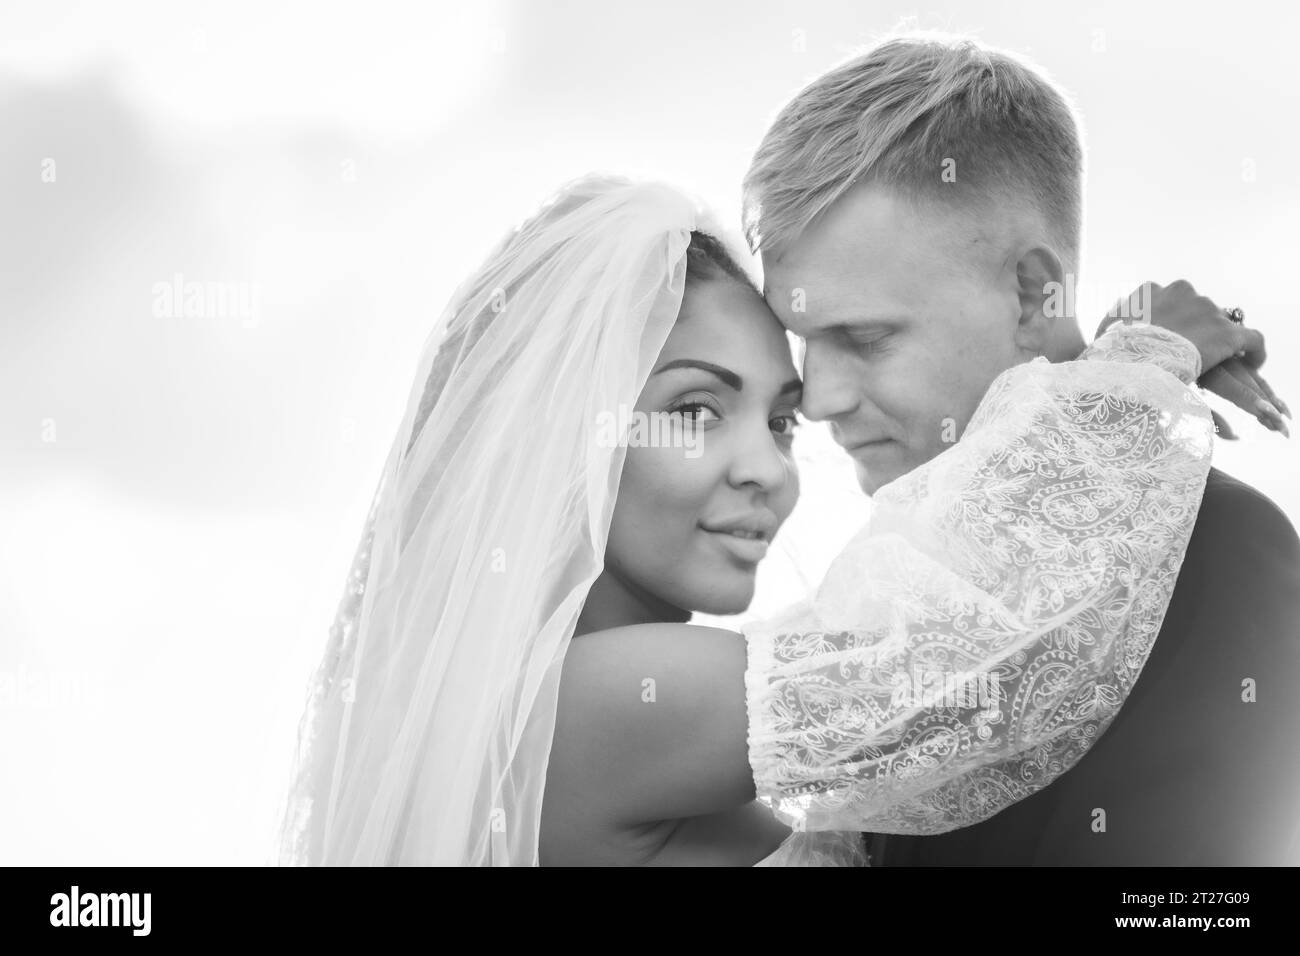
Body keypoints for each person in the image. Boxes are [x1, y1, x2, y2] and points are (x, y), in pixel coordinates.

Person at [277, 173, 1269, 866]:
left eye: (781, 418)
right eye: (695, 411)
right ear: (563, 432)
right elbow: (951, 659)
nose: (768, 470)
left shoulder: (541, 707)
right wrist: (1133, 365)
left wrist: (1076, 368)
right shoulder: (595, 702)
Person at [742, 32, 1300, 865]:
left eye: (863, 337)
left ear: (1034, 293)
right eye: (802, 343)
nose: (818, 400)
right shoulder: (908, 577)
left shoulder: (1213, 547)